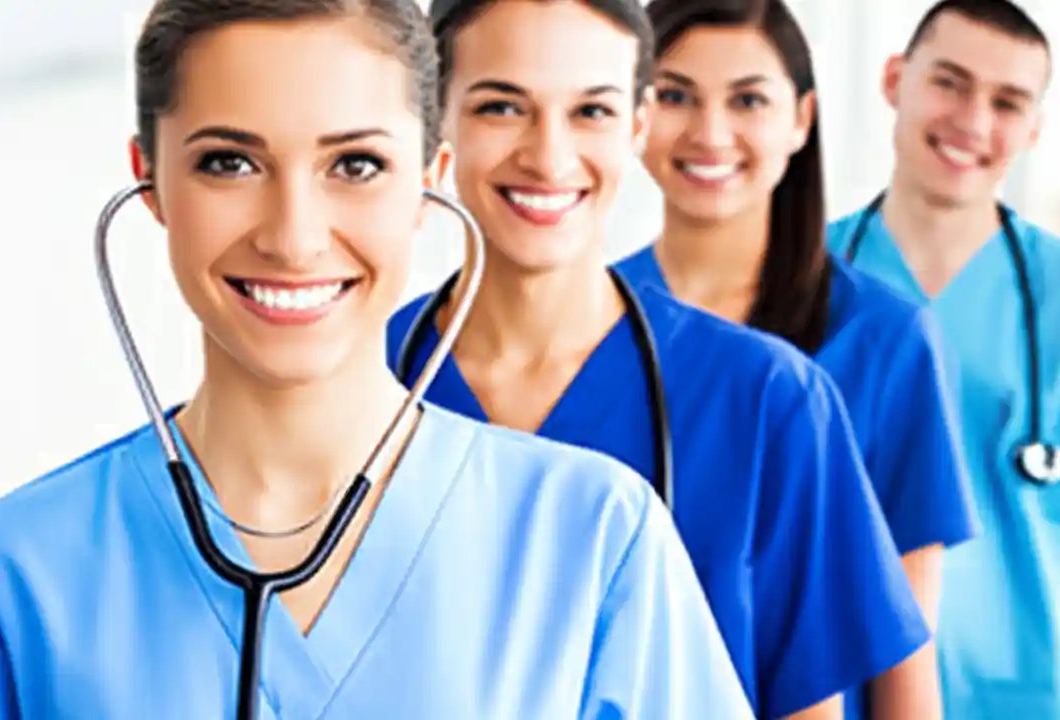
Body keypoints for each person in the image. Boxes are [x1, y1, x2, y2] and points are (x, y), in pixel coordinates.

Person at [0, 1, 759, 717]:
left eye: (355, 163)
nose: (294, 237)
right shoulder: (6, 584)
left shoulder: (593, 541)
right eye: (230, 162)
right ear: (149, 181)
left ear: (430, 178)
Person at [388, 1, 930, 718]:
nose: (549, 156)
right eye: (501, 106)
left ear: (637, 125)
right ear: (436, 122)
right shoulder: (364, 376)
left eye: (592, 112)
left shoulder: (768, 400)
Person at [613, 1, 982, 717]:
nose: (710, 132)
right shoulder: (586, 323)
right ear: (632, 115)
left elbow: (905, 646)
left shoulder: (885, 339)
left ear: (801, 120)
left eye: (747, 99)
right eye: (675, 94)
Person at [825, 1, 1060, 718]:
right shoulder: (802, 284)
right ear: (895, 80)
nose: (973, 121)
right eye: (949, 83)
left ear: (1035, 127)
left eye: (1007, 101)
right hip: (833, 695)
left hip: (1016, 699)